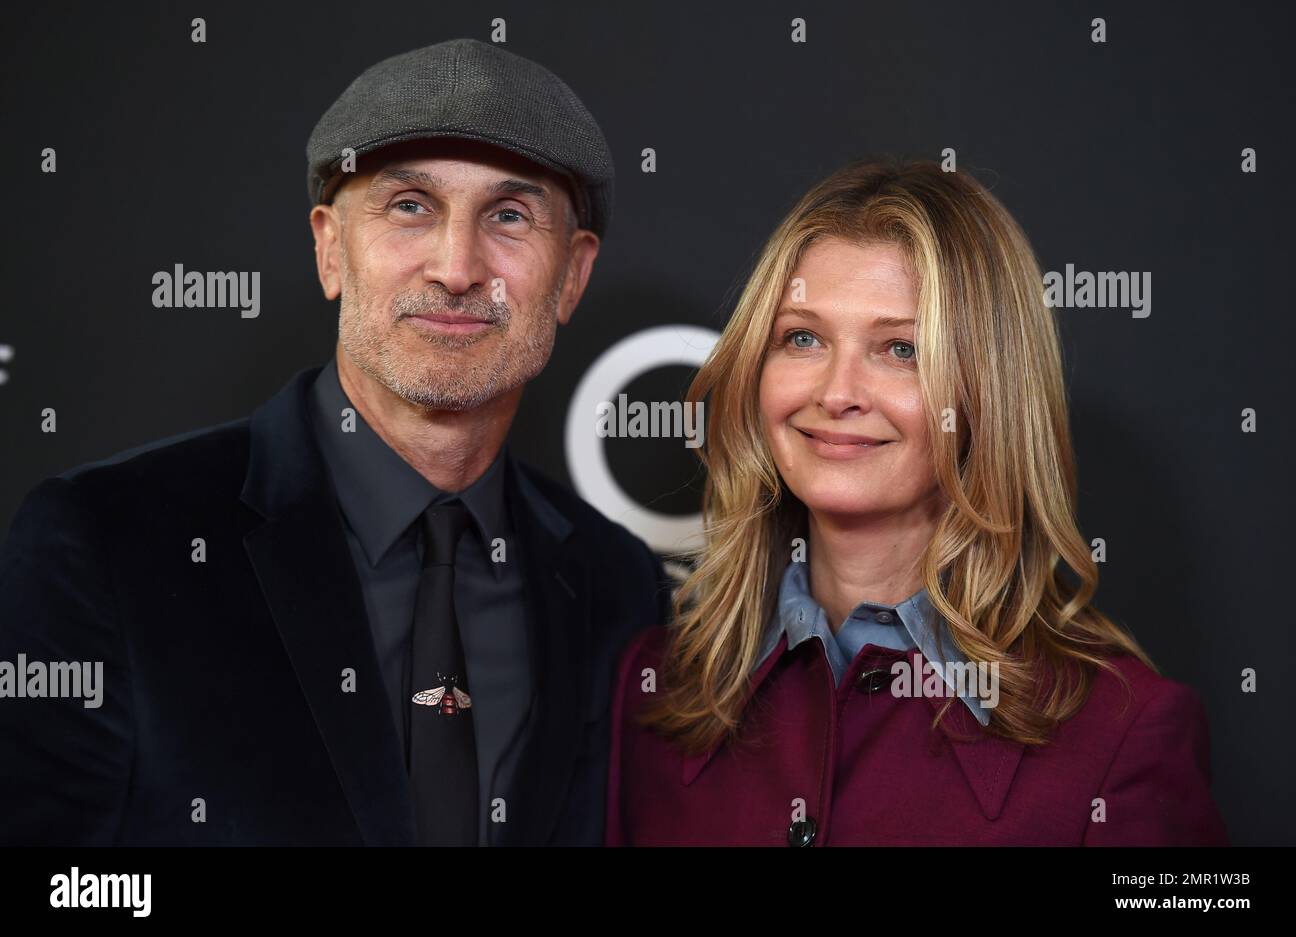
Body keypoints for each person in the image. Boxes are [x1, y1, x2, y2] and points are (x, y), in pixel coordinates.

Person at [0, 38, 669, 846]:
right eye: (410, 206)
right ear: (329, 248)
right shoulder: (106, 540)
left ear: (570, 277)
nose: (457, 267)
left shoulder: (616, 583)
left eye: (510, 216)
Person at [606, 159, 1230, 846]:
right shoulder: (653, 686)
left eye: (901, 348)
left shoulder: (1125, 731)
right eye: (803, 338)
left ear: (986, 393)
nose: (837, 391)